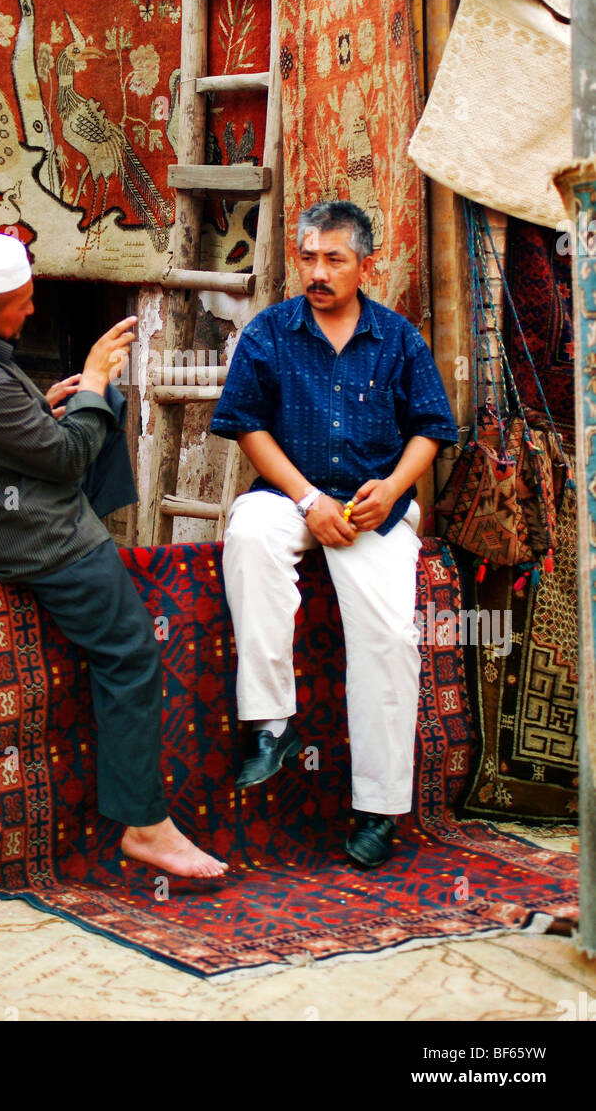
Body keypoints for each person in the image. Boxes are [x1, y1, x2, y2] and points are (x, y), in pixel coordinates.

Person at [0, 232, 226, 880]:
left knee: (97, 404)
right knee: (132, 652)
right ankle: (146, 825)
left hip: (14, 506)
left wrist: (45, 404)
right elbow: (61, 457)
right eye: (25, 303)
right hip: (36, 536)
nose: (33, 311)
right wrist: (91, 382)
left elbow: (7, 429)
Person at [209, 201, 458, 868]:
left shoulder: (399, 338)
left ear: (364, 264)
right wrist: (308, 497)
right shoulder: (270, 332)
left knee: (391, 636)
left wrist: (394, 488)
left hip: (375, 506)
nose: (317, 272)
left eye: (333, 259)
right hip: (294, 495)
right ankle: (269, 723)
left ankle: (378, 810)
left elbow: (431, 429)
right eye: (309, 257)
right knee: (249, 535)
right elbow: (246, 423)